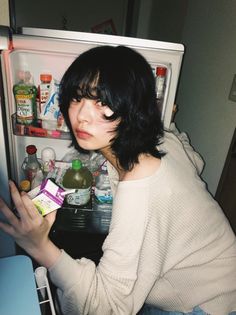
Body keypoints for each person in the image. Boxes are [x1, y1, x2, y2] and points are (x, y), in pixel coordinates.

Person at [0, 45, 236, 315]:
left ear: (132, 108)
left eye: (103, 102)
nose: (82, 116)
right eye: (77, 98)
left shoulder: (141, 189)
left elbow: (108, 307)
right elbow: (196, 160)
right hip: (217, 276)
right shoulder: (162, 139)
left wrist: (39, 245)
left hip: (208, 305)